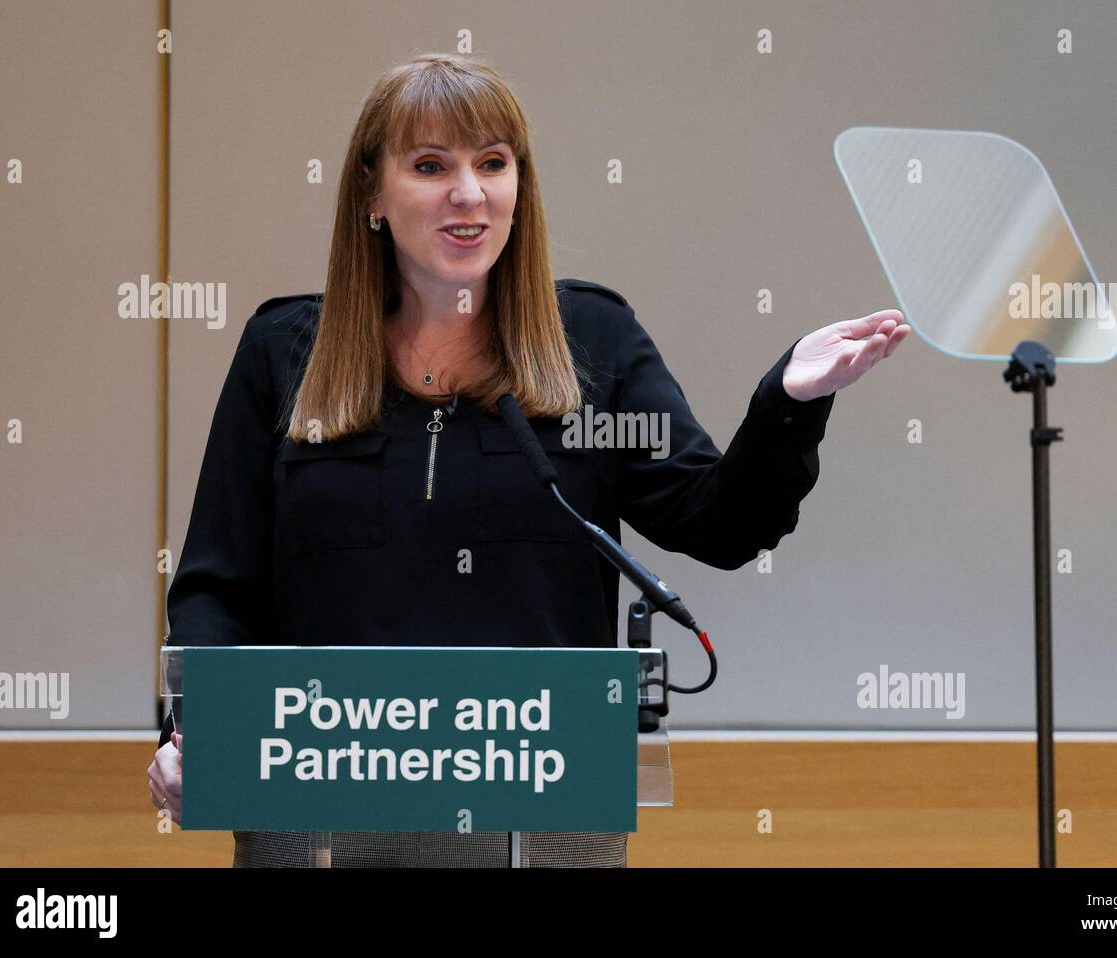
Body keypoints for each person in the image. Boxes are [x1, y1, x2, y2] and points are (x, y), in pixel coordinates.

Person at [146, 52, 909, 868]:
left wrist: (787, 401)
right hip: (315, 809)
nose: (469, 194)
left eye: (493, 164)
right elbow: (217, 589)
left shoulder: (593, 345)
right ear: (371, 191)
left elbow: (719, 522)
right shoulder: (283, 354)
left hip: (544, 813)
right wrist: (198, 731)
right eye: (431, 165)